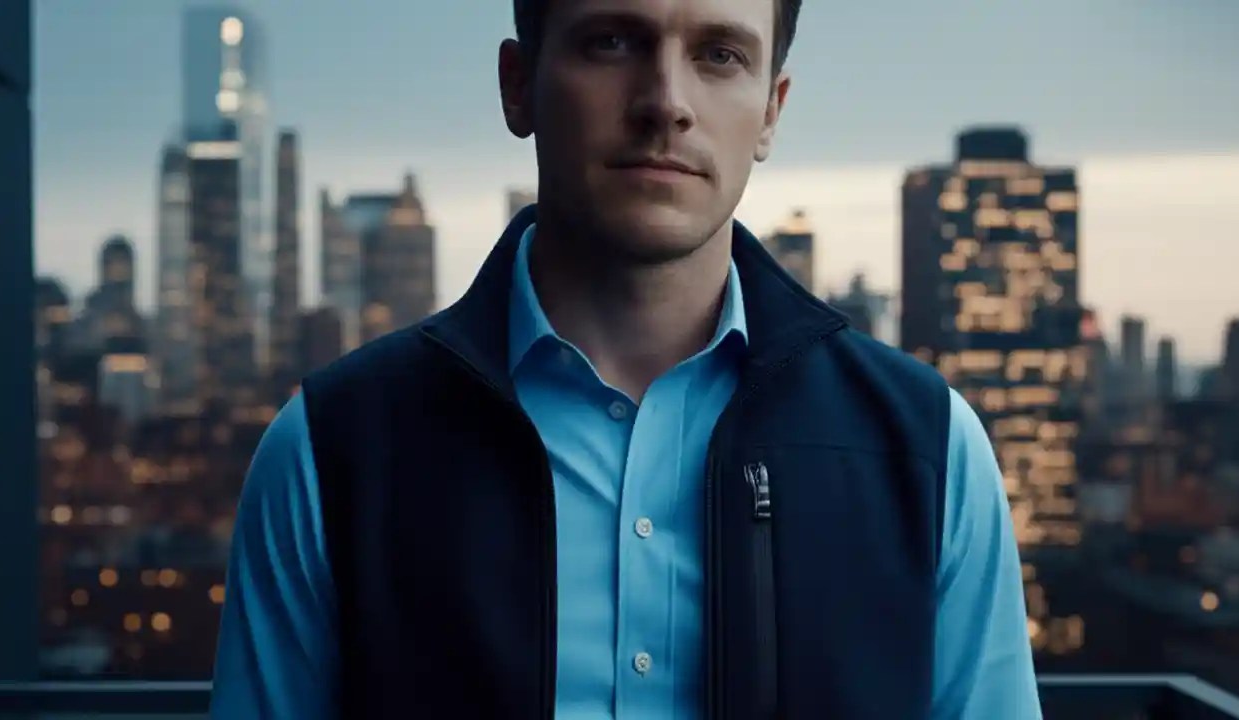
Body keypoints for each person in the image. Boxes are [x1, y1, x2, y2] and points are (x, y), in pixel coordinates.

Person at [210, 0, 1041, 717]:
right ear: (518, 83)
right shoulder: (331, 451)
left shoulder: (929, 450)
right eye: (612, 41)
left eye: (719, 54)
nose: (666, 103)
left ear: (772, 111)